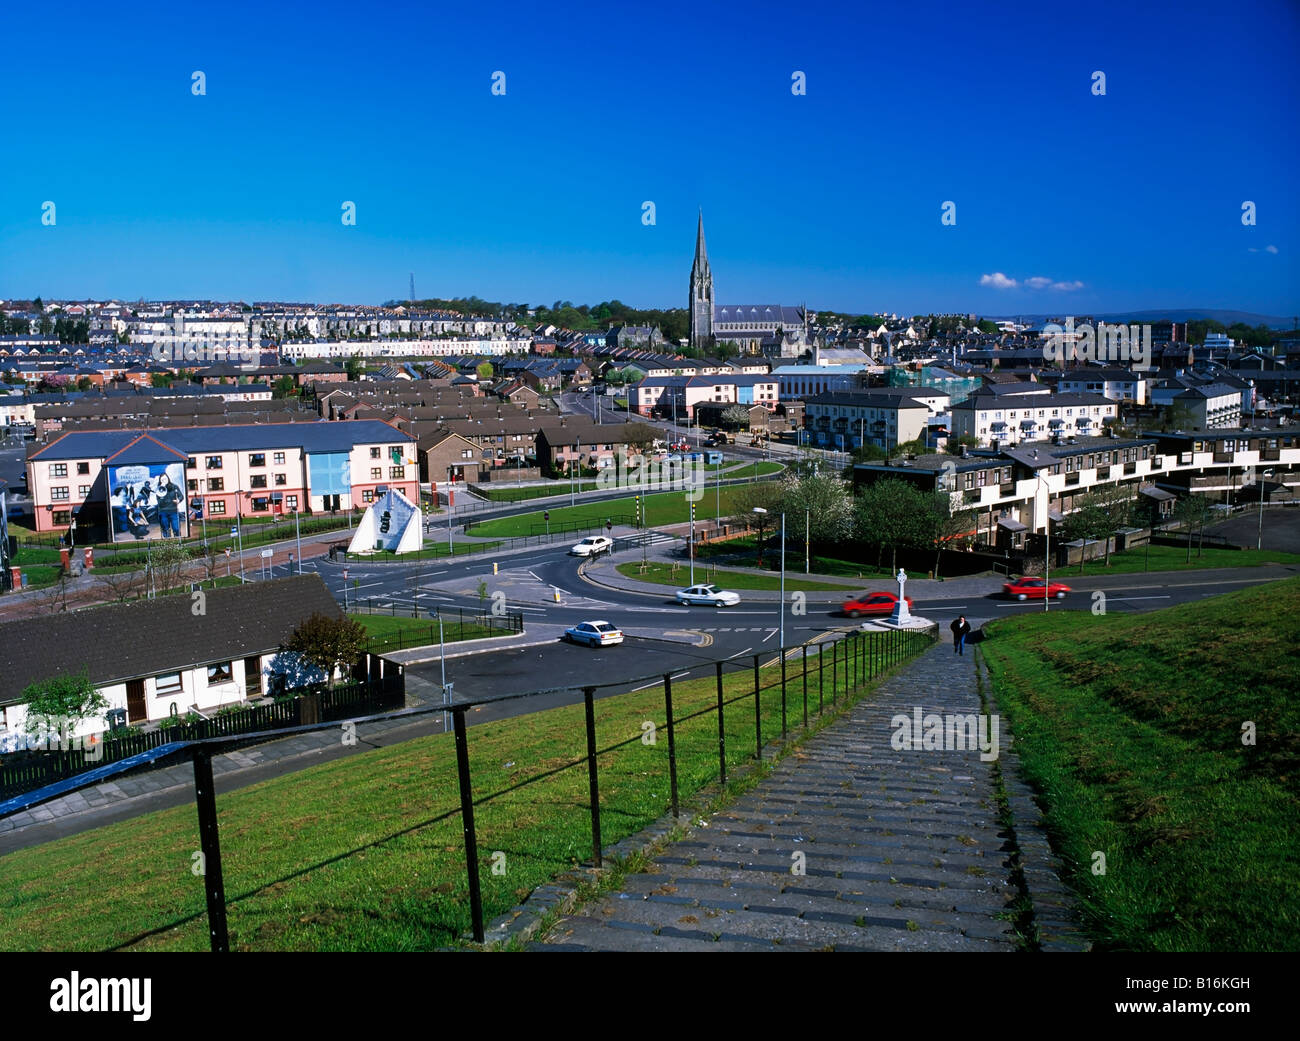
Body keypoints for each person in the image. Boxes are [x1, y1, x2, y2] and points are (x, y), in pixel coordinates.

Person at [155, 471, 184, 538]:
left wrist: (178, 500)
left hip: (173, 511)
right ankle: (168, 544)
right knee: (166, 530)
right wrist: (161, 491)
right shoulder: (159, 489)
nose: (164, 480)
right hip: (163, 512)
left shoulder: (174, 486)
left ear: (168, 478)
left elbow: (181, 496)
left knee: (176, 528)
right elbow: (159, 503)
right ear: (160, 481)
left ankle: (178, 543)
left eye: (165, 479)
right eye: (162, 480)